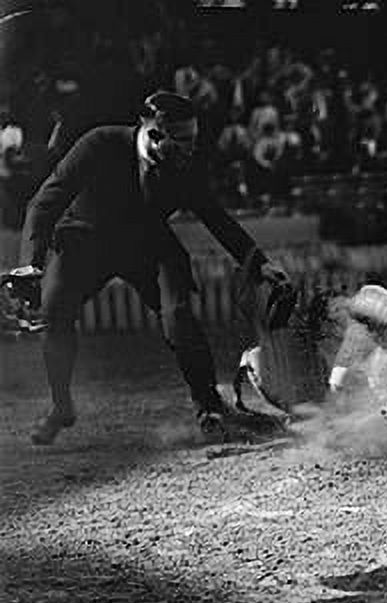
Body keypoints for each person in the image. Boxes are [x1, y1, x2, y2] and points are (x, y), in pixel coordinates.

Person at [15, 91, 289, 445]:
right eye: (184, 141)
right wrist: (30, 264)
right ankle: (60, 407)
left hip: (147, 244)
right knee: (54, 313)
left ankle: (209, 408)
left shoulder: (186, 165)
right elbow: (44, 202)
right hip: (85, 239)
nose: (192, 149)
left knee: (179, 315)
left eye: (195, 139)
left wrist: (259, 264)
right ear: (155, 135)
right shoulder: (99, 144)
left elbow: (215, 217)